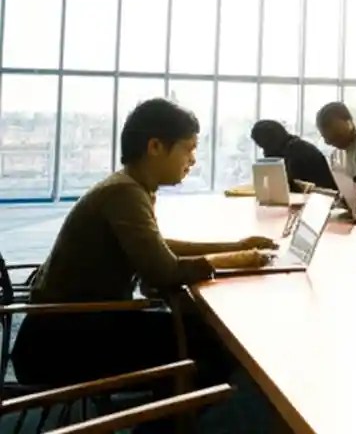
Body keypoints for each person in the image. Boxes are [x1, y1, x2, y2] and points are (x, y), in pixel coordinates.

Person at [12, 98, 275, 390]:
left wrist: (234, 247)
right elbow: (164, 272)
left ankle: (167, 413)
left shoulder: (129, 185)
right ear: (155, 147)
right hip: (66, 341)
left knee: (198, 335)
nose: (193, 160)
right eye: (188, 148)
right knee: (215, 345)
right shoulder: (125, 193)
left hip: (72, 325)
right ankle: (160, 422)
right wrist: (238, 260)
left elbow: (157, 247)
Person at [250, 119, 338, 192]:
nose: (264, 151)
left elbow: (292, 186)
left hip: (323, 199)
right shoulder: (292, 146)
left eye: (263, 146)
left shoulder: (297, 150)